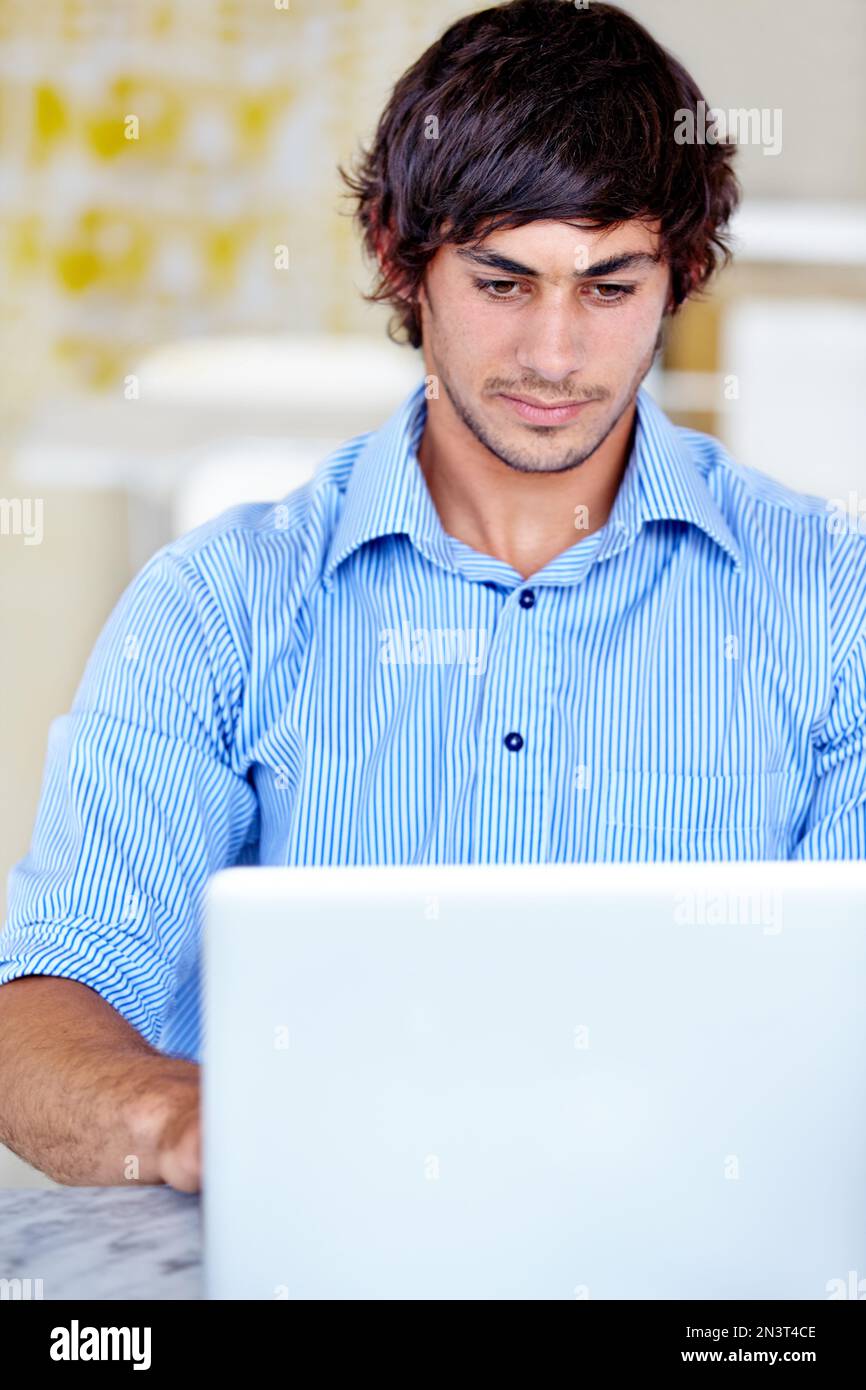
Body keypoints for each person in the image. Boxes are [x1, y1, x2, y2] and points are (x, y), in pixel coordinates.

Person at [1, 0, 863, 1195]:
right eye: (502, 282)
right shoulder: (217, 605)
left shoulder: (829, 602)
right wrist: (188, 1122)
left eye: (607, 287)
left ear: (682, 275)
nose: (554, 356)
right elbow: (43, 1011)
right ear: (403, 256)